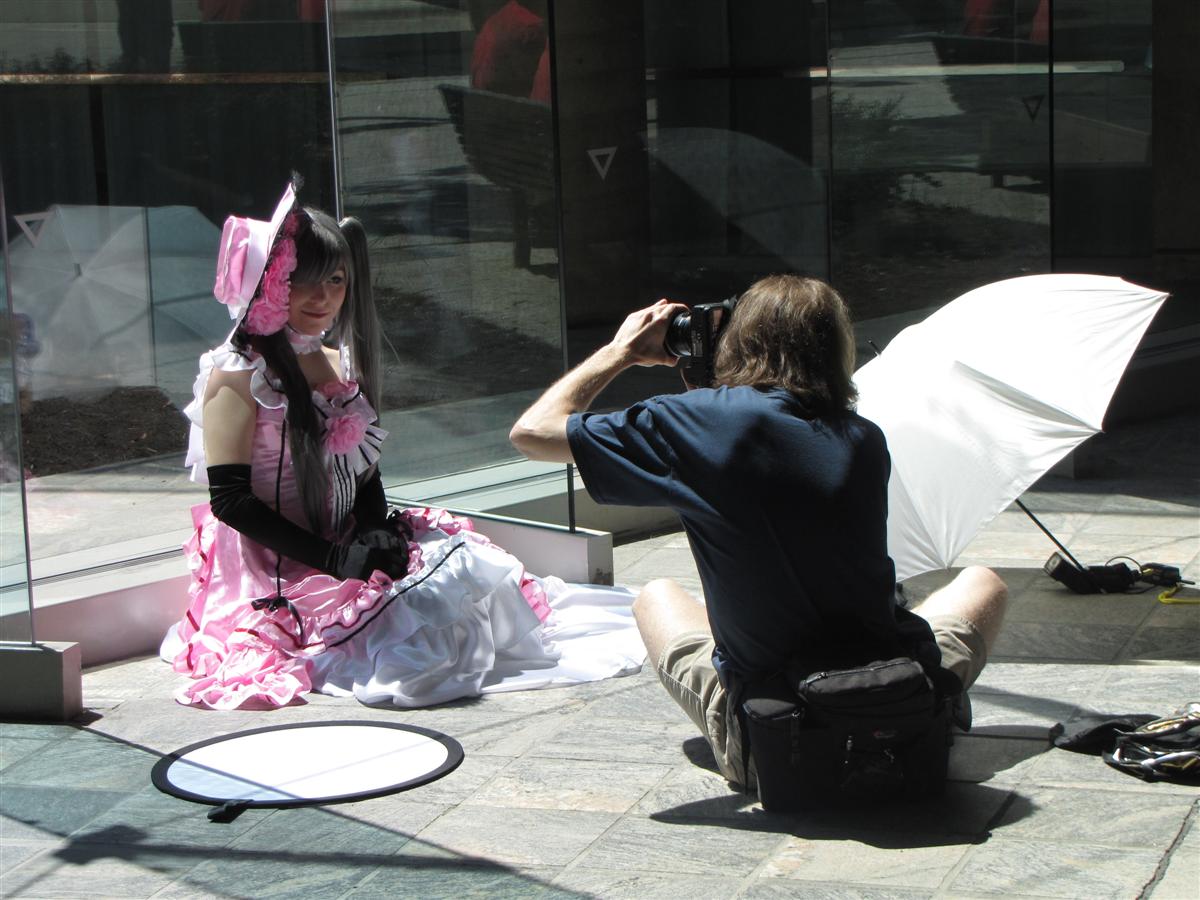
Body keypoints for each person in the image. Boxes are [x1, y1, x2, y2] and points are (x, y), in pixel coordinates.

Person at [161, 180, 644, 709]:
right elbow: (230, 501)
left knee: (469, 579)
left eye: (336, 280)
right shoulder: (237, 373)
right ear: (274, 285)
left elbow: (363, 467)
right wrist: (335, 558)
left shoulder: (332, 361)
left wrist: (373, 526)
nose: (324, 298)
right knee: (417, 639)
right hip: (276, 565)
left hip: (342, 539)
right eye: (305, 281)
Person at [509, 275, 1008, 788]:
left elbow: (532, 432)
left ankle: (747, 732)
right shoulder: (864, 438)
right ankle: (931, 708)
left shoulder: (694, 425)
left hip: (779, 737)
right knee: (983, 583)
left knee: (656, 595)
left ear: (739, 341)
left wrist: (621, 352)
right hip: (899, 705)